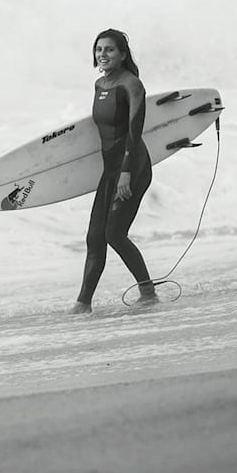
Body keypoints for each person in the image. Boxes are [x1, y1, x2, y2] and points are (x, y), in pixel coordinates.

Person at [69, 28, 156, 314]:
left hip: (133, 167)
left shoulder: (132, 85)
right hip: (110, 170)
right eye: (98, 50)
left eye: (109, 50)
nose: (102, 55)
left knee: (114, 234)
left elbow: (134, 130)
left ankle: (148, 291)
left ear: (122, 54)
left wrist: (126, 173)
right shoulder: (99, 85)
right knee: (95, 236)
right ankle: (83, 304)